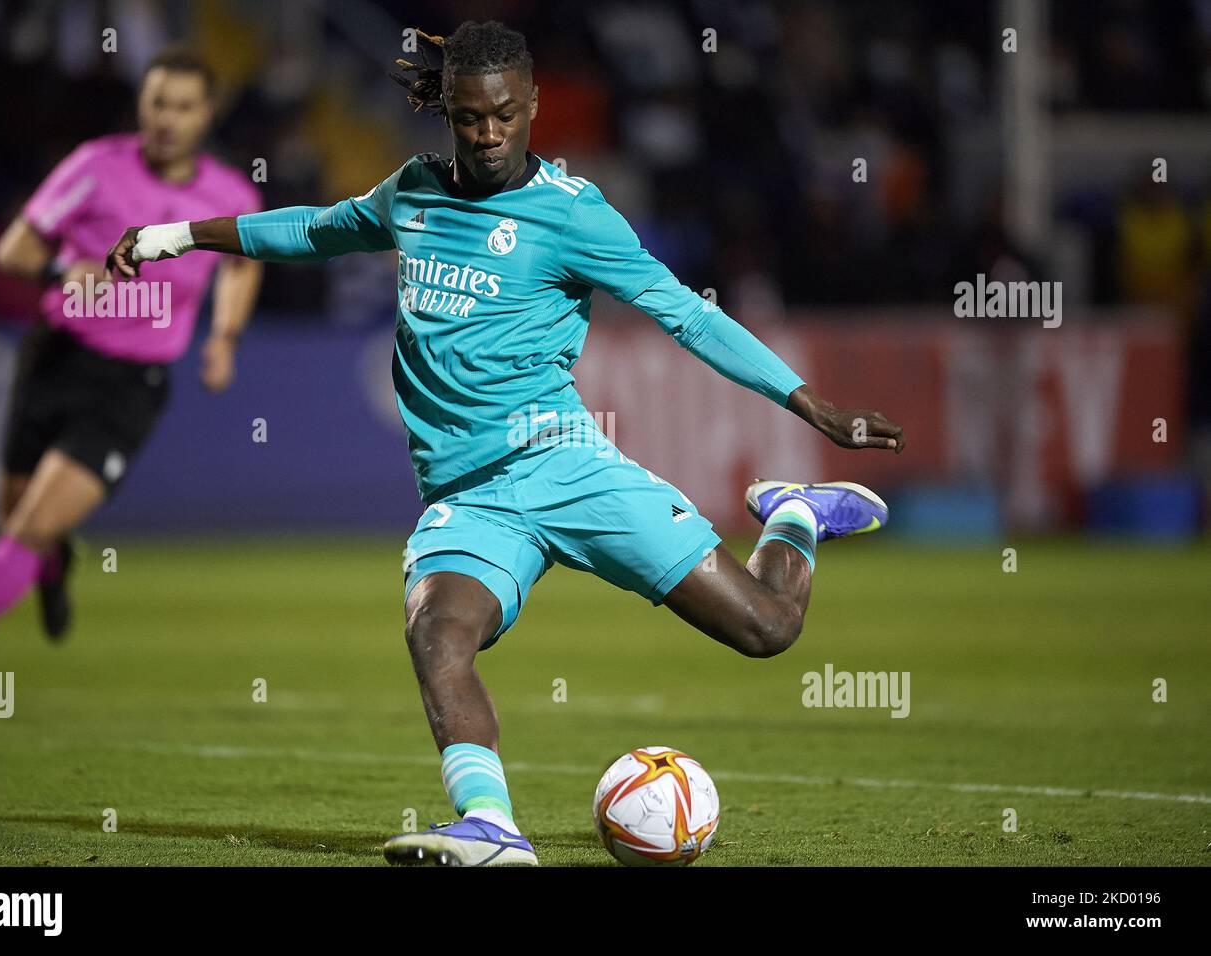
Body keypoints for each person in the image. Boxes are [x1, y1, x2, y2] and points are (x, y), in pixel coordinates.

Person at [106, 22, 904, 866]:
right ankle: (490, 824)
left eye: (503, 117)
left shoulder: (572, 215)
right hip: (469, 497)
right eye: (468, 118)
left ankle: (794, 517)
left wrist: (812, 405)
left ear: (532, 107)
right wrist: (177, 236)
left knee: (767, 629)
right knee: (435, 632)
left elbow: (688, 314)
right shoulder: (412, 193)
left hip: (564, 464)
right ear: (448, 112)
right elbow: (313, 230)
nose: (487, 137)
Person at [0, 48, 263, 675]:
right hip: (54, 356)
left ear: (206, 115)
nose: (167, 119)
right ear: (141, 105)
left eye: (183, 107)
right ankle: (52, 564)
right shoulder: (96, 166)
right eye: (158, 103)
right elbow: (13, 250)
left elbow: (242, 262)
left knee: (23, 531)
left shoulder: (229, 194)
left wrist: (224, 337)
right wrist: (59, 269)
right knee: (14, 519)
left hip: (128, 386)